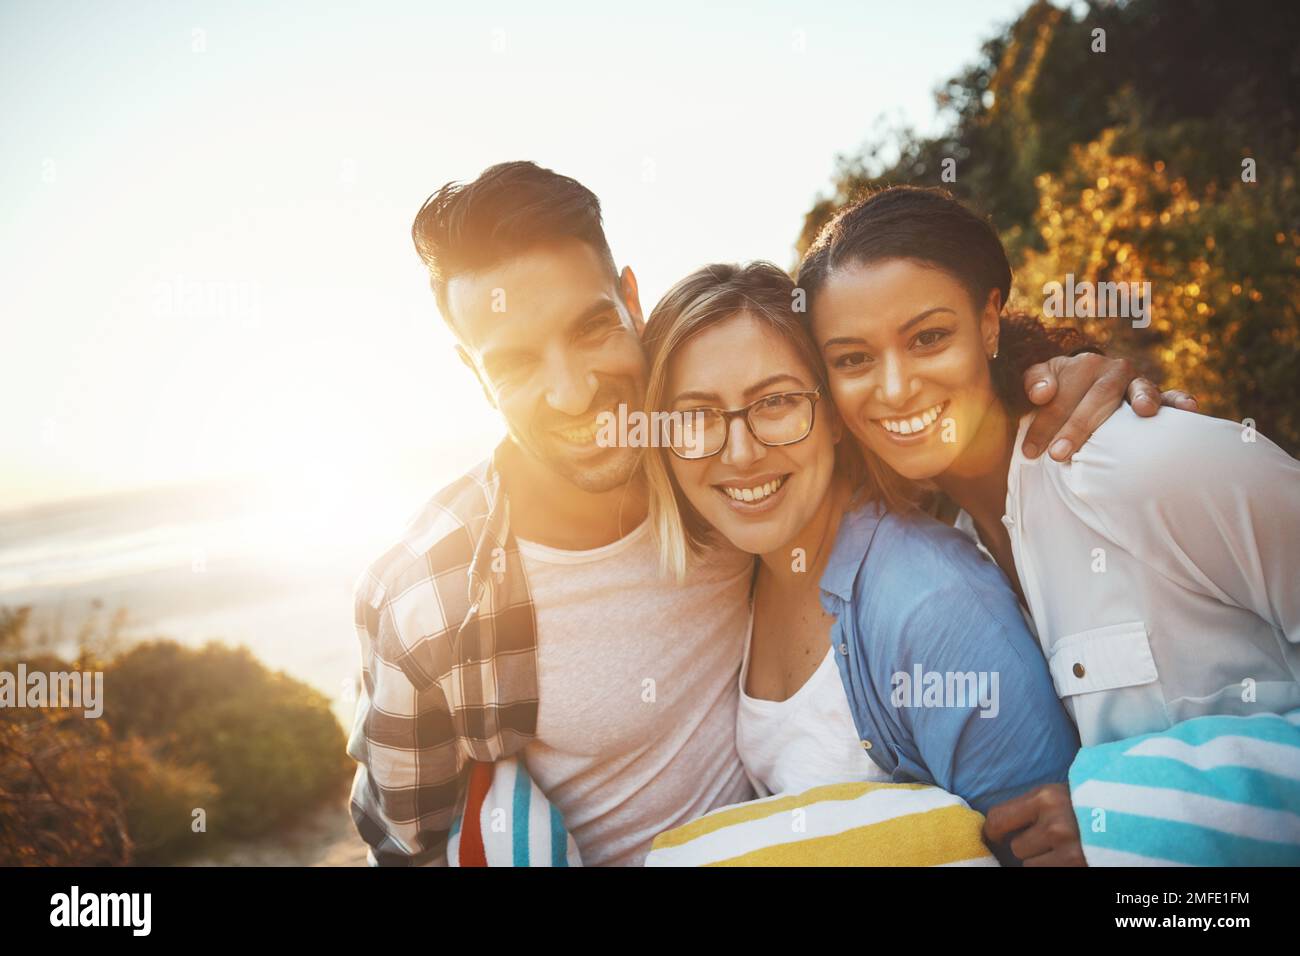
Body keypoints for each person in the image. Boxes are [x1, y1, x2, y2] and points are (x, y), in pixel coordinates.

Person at [347, 161, 1185, 866]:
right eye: (517, 361)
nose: (571, 390)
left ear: (631, 299)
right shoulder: (431, 596)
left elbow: (907, 404)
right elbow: (409, 842)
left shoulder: (721, 480)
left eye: (592, 327)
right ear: (469, 368)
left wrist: (1061, 381)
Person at [798, 184, 1300, 865]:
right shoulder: (950, 552)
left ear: (989, 321)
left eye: (929, 337)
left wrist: (1128, 813)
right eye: (854, 358)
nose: (893, 388)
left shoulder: (1146, 464)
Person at [641, 262, 1078, 844]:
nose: (740, 453)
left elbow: (1053, 850)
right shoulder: (739, 570)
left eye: (774, 402)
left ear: (836, 417)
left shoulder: (934, 608)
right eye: (696, 417)